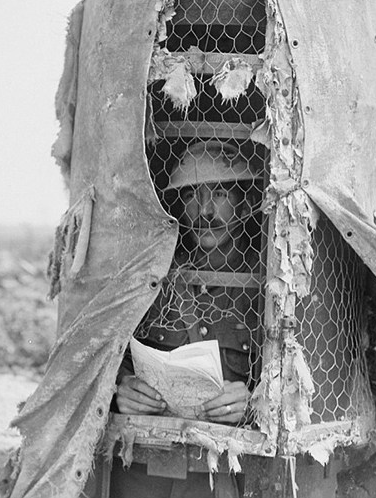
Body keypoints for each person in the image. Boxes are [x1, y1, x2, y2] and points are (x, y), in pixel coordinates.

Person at [109, 141, 263, 498]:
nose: (205, 210)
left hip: (223, 473)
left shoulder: (267, 285)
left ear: (245, 200)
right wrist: (122, 390)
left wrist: (254, 402)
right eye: (193, 194)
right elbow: (109, 352)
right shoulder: (151, 275)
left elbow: (295, 381)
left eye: (221, 192)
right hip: (143, 470)